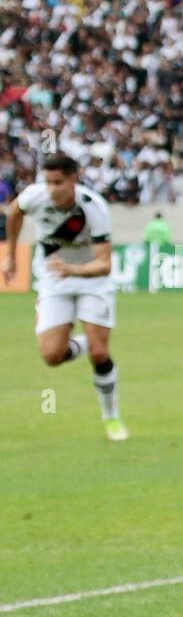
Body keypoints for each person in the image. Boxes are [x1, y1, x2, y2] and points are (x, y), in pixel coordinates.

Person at [4, 152, 127, 440]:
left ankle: (111, 417)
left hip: (92, 281)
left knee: (100, 353)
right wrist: (10, 255)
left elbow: (104, 264)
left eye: (58, 182)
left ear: (74, 180)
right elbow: (14, 212)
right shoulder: (35, 197)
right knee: (52, 355)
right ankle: (89, 341)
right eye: (48, 182)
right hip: (53, 280)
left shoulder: (94, 209)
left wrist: (72, 269)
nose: (52, 189)